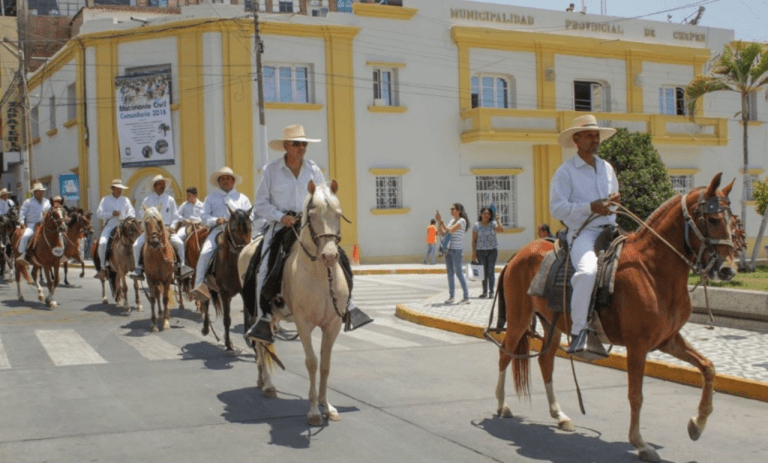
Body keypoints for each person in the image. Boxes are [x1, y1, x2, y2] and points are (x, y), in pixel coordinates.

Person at [245, 124, 372, 344]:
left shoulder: (313, 169)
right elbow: (261, 204)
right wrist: (281, 217)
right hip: (281, 226)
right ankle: (264, 317)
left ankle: (349, 304)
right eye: (296, 144)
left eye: (304, 144)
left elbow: (322, 197)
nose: (301, 148)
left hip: (309, 225)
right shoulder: (271, 171)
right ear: (286, 146)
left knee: (340, 257)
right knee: (264, 266)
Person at [550, 114, 620, 355]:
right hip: (584, 233)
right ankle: (580, 331)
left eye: (596, 135)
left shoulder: (607, 168)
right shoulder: (565, 172)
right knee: (588, 272)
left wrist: (614, 203)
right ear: (576, 140)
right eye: (589, 135)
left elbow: (614, 199)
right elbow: (557, 209)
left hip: (612, 229)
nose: (595, 139)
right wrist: (590, 207)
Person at [190, 166, 252, 302]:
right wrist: (215, 220)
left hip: (239, 233)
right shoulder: (211, 197)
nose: (225, 181)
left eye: (228, 178)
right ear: (218, 182)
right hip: (219, 230)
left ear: (233, 181)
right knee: (205, 252)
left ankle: (256, 282)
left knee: (254, 252)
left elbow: (251, 216)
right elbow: (203, 216)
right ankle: (200, 285)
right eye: (222, 179)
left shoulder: (242, 198)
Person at [131, 175, 192, 280]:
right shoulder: (147, 200)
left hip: (167, 228)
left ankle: (181, 266)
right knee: (136, 245)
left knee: (180, 243)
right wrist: (147, 214)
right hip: (151, 230)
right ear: (154, 186)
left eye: (163, 184)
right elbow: (140, 214)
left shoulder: (170, 199)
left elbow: (175, 216)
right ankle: (138, 268)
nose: (162, 186)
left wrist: (173, 226)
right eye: (160, 184)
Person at [94, 179, 135, 279]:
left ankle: (138, 266)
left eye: (120, 189)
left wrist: (127, 218)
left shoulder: (125, 200)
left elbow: (132, 212)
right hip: (110, 225)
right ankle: (103, 267)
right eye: (117, 188)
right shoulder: (105, 200)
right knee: (102, 243)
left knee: (136, 242)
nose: (119, 190)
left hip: (124, 226)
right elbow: (99, 213)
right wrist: (111, 214)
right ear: (112, 189)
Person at [436, 203, 471, 304]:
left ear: (459, 210)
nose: (451, 210)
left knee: (459, 273)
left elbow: (451, 230)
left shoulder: (462, 221)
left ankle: (466, 297)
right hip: (448, 250)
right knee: (450, 273)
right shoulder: (452, 221)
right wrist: (439, 223)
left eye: (453, 209)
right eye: (451, 209)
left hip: (457, 250)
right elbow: (444, 233)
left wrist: (441, 221)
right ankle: (451, 297)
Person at [15, 183, 51, 266]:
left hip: (44, 224)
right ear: (35, 192)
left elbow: (50, 212)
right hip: (32, 224)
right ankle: (23, 255)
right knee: (26, 236)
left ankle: (60, 253)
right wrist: (22, 222)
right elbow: (22, 213)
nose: (41, 193)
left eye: (42, 191)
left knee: (58, 234)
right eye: (39, 191)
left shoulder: (47, 202)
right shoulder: (28, 202)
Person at [472, 207, 503, 298]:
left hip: (492, 250)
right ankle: (484, 292)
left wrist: (498, 220)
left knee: (490, 270)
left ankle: (491, 292)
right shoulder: (476, 225)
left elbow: (501, 229)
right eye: (484, 213)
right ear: (480, 215)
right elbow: (474, 241)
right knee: (483, 272)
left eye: (488, 214)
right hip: (480, 251)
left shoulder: (493, 224)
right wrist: (474, 253)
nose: (486, 215)